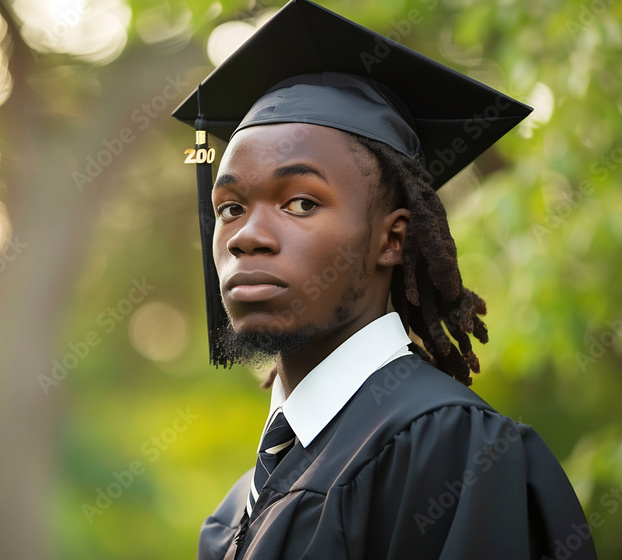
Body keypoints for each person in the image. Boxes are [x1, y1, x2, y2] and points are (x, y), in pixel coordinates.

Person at [171, 1, 597, 559]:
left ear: (392, 240)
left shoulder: (449, 450)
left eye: (300, 202)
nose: (246, 235)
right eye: (229, 208)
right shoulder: (235, 510)